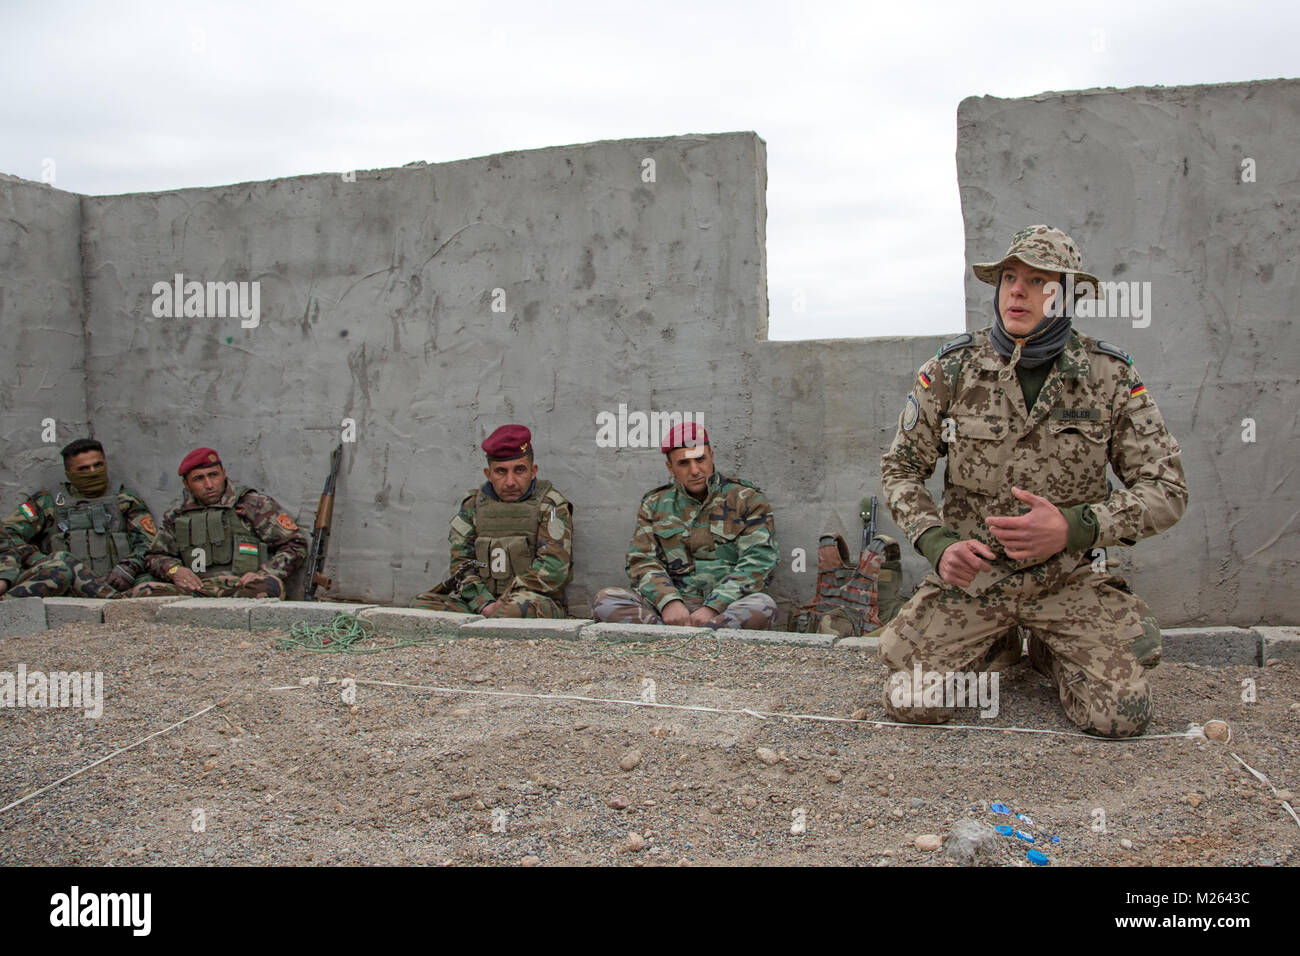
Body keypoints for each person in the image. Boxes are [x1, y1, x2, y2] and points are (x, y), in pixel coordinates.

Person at [877, 225, 1187, 737]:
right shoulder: (952, 371)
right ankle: (996, 643)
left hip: (1065, 578)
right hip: (976, 580)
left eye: (1037, 280)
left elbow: (1167, 489)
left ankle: (1047, 647)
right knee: (912, 701)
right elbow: (901, 468)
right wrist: (936, 543)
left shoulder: (1110, 377)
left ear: (1064, 294)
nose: (1016, 291)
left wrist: (1076, 527)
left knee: (1121, 717)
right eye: (1008, 278)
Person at [592, 423, 779, 629]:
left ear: (712, 456)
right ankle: (684, 636)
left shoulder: (747, 499)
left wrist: (714, 606)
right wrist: (669, 602)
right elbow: (641, 561)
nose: (695, 470)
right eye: (683, 463)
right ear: (670, 467)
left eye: (700, 459)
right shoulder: (654, 504)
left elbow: (759, 561)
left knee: (763, 605)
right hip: (671, 609)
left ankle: (672, 638)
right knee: (606, 600)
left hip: (726, 607)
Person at [411, 425, 574, 618]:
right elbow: (462, 564)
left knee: (512, 609)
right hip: (482, 602)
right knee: (421, 606)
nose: (511, 481)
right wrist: (483, 603)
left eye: (519, 470)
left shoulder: (551, 506)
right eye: (501, 472)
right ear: (488, 474)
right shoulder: (472, 505)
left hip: (531, 601)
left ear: (533, 471)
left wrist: (502, 601)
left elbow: (552, 570)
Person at [126, 447, 307, 598]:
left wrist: (265, 574)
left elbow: (295, 545)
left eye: (213, 475)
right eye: (199, 479)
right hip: (194, 591)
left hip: (241, 588)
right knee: (144, 592)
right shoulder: (177, 515)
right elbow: (155, 556)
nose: (209, 484)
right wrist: (175, 571)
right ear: (186, 484)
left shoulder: (252, 505)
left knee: (269, 587)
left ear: (223, 474)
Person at [0, 438, 156, 599]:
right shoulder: (47, 502)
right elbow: (9, 534)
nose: (92, 472)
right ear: (69, 474)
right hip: (68, 586)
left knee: (153, 589)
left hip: (120, 582)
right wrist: (39, 559)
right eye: (83, 468)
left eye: (98, 465)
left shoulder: (125, 499)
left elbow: (149, 544)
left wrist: (129, 568)